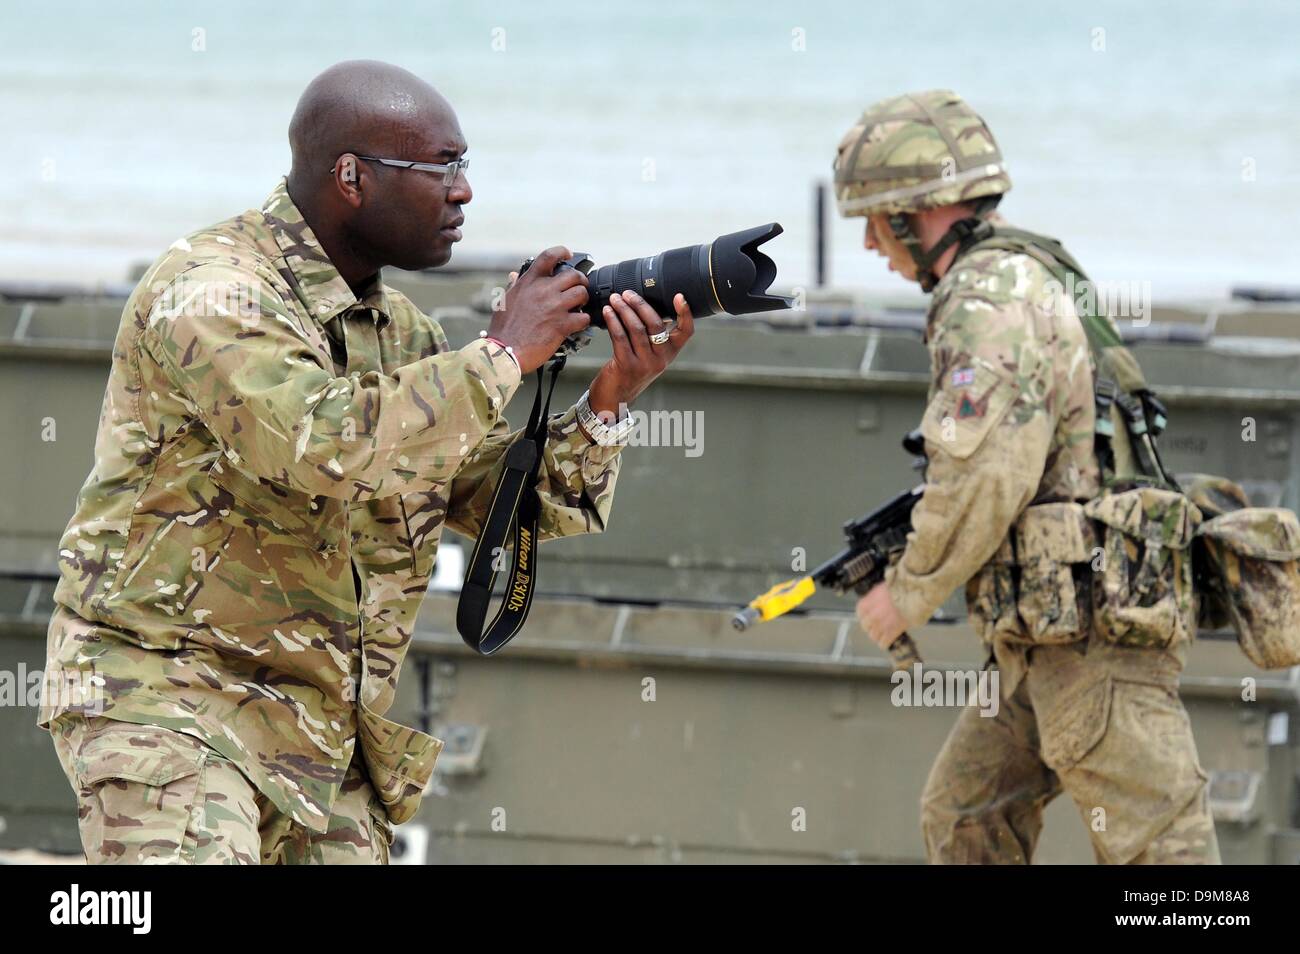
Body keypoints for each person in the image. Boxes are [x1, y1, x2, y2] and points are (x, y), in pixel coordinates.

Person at [39, 59, 694, 864]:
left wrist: (608, 401)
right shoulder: (212, 291)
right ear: (351, 175)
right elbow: (321, 445)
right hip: (172, 699)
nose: (464, 192)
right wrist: (500, 354)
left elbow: (498, 503)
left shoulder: (401, 333)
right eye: (441, 168)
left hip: (320, 734)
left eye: (466, 167)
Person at [836, 89, 1219, 864]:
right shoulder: (1033, 268)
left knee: (1163, 856)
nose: (875, 244)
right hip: (1043, 635)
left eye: (878, 220)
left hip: (1092, 638)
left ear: (918, 211)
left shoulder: (988, 297)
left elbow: (983, 476)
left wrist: (905, 593)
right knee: (967, 815)